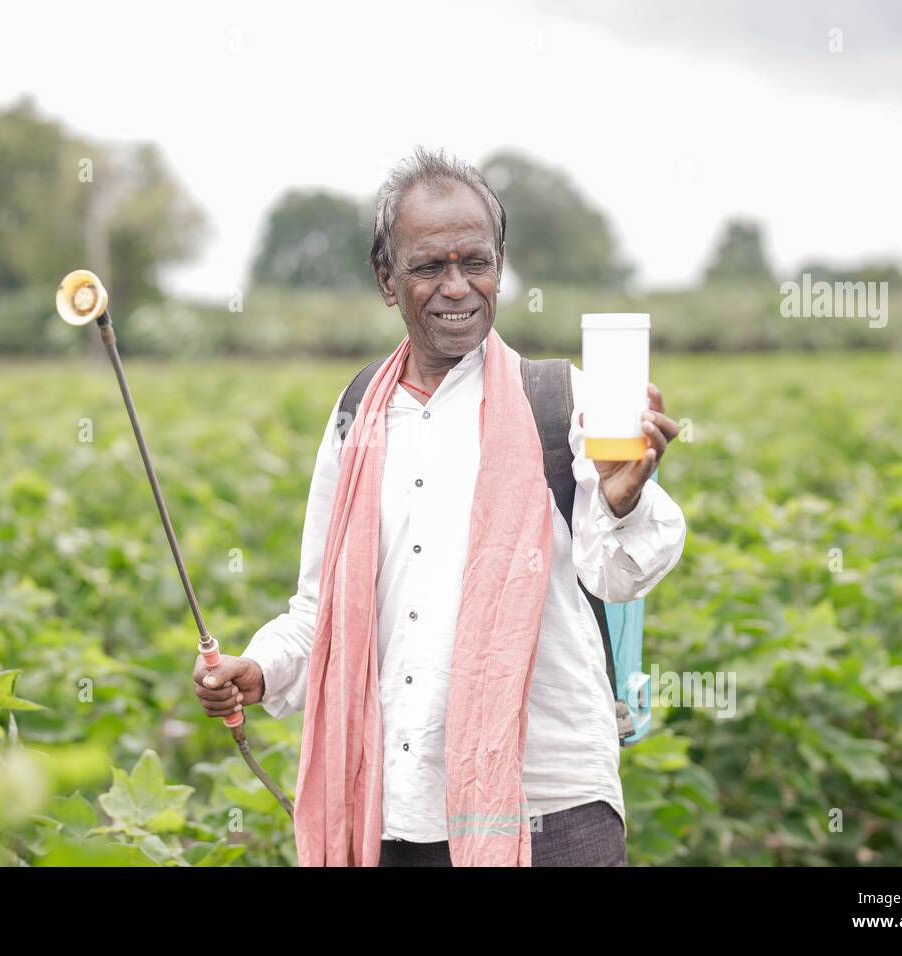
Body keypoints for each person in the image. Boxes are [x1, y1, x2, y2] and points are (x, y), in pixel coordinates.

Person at [194, 146, 686, 866]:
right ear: (387, 280)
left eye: (476, 262)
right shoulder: (359, 412)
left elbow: (621, 574)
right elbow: (321, 608)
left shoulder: (558, 400)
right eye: (429, 267)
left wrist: (621, 500)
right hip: (399, 807)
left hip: (549, 805)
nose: (458, 287)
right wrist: (260, 668)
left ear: (500, 267)